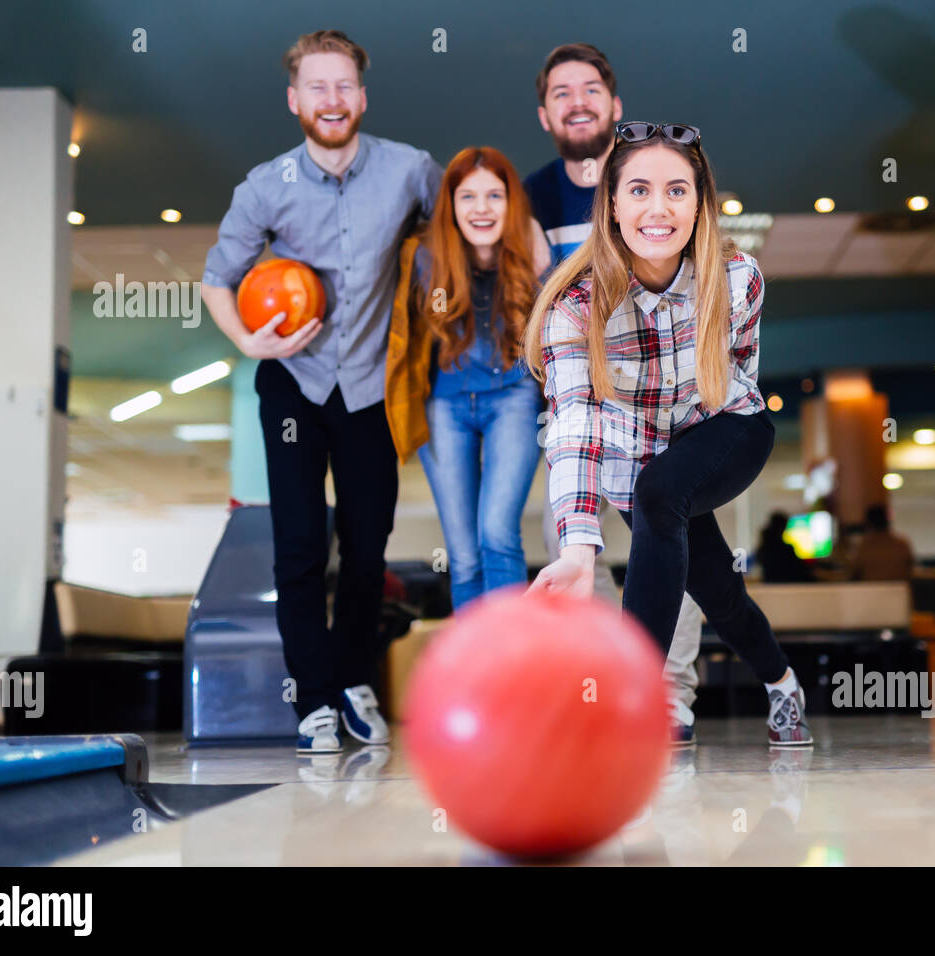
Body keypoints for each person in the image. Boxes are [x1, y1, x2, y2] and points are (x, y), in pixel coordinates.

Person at [524, 121, 813, 748]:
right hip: (637, 451)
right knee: (715, 587)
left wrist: (683, 455)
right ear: (612, 205)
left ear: (701, 204)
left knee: (662, 493)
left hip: (727, 426)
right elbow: (573, 425)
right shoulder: (572, 307)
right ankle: (783, 681)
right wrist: (578, 546)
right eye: (640, 190)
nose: (659, 208)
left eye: (678, 191)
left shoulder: (738, 279)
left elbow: (736, 375)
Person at [202, 30, 443, 754]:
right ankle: (312, 700)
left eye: (344, 86)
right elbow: (217, 279)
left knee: (367, 550)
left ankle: (351, 680)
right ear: (294, 100)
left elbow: (461, 230)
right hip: (294, 385)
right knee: (300, 547)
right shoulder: (263, 187)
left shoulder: (410, 171)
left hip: (371, 386)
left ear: (362, 96)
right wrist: (248, 343)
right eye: (317, 87)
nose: (332, 100)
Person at [524, 42, 705, 745]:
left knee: (677, 542)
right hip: (585, 399)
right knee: (571, 545)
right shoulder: (531, 199)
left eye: (591, 88)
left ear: (615, 105)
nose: (579, 101)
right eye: (563, 92)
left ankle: (667, 693)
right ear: (546, 114)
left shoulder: (659, 182)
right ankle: (604, 688)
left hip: (664, 403)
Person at [404, 147, 548, 613]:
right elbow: (433, 318)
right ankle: (474, 673)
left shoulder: (531, 251)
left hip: (513, 397)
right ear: (451, 205)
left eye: (494, 196)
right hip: (446, 405)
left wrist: (533, 247)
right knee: (463, 555)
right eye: (468, 197)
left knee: (497, 535)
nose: (482, 208)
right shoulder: (429, 258)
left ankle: (510, 672)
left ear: (512, 204)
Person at [850, 505, 915, 581]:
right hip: (900, 590)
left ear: (869, 524)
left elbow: (854, 573)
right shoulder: (902, 544)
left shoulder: (865, 547)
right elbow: (910, 568)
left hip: (872, 590)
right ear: (887, 522)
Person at [757, 511, 817, 583]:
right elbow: (801, 572)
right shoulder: (787, 549)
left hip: (770, 589)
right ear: (783, 527)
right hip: (790, 588)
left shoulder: (763, 548)